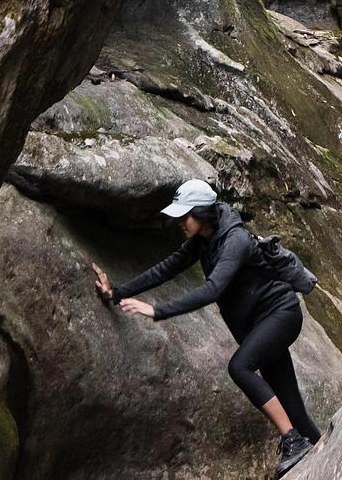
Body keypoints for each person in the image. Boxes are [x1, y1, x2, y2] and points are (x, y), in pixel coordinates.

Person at [91, 179, 320, 478]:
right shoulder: (205, 239)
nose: (180, 222)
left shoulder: (235, 240)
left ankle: (292, 440)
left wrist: (157, 310)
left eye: (185, 216)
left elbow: (213, 289)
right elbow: (166, 268)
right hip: (261, 325)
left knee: (240, 367)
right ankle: (323, 453)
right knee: (294, 408)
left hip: (281, 314)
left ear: (201, 212)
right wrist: (117, 293)